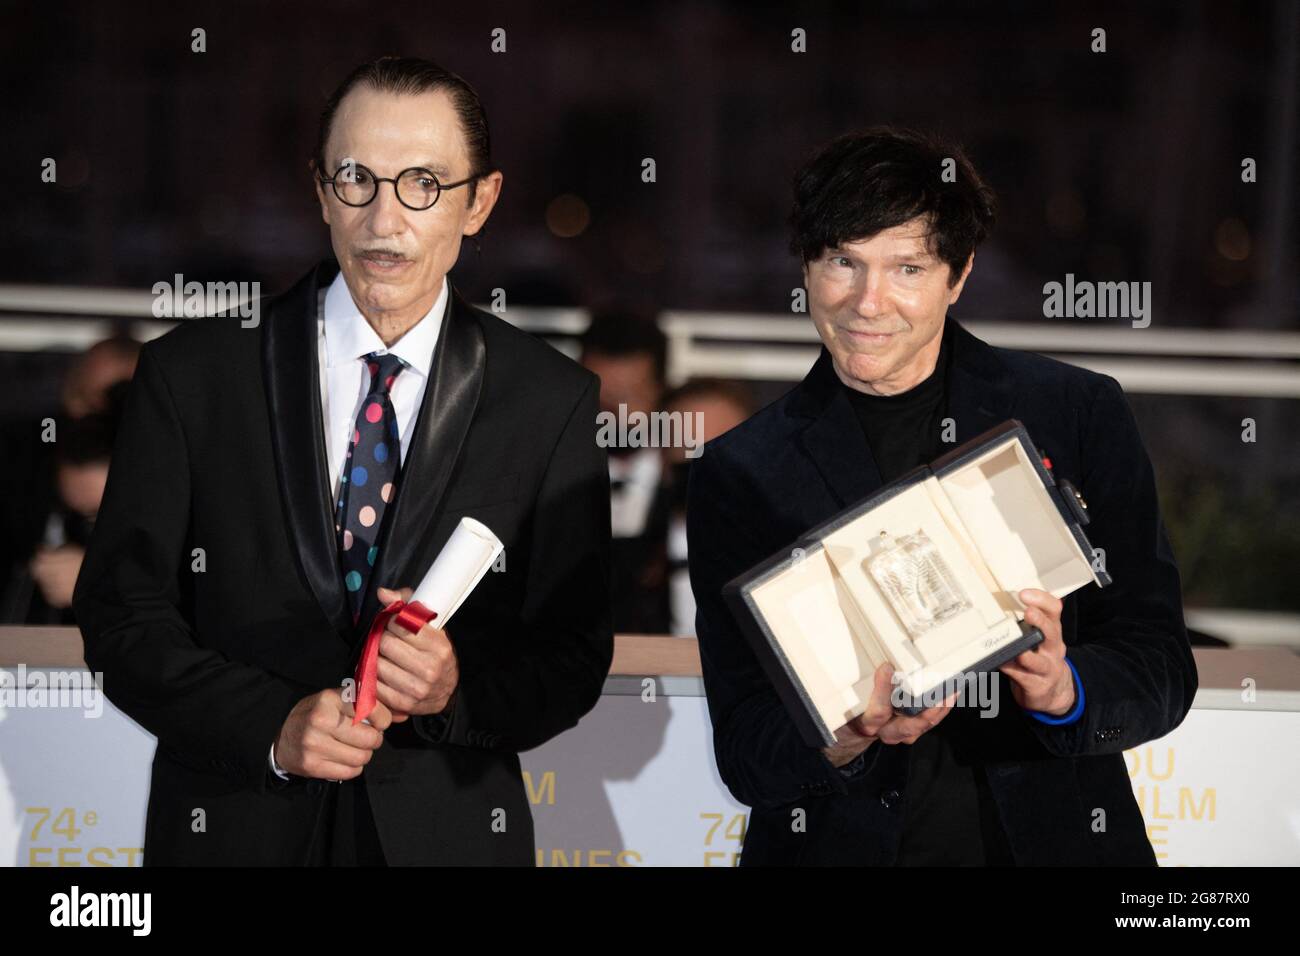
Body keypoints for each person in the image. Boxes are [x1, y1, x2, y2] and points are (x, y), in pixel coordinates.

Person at [73, 56, 613, 866]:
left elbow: (572, 658)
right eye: (358, 178)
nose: (385, 219)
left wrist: (451, 691)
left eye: (424, 183)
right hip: (232, 827)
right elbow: (122, 618)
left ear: (481, 202)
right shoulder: (192, 376)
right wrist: (270, 727)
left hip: (448, 836)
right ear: (321, 188)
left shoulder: (550, 401)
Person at [686, 126, 1197, 866]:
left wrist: (1062, 688)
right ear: (806, 267)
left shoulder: (1077, 413)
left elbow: (1161, 662)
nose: (869, 301)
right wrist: (851, 735)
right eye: (843, 262)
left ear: (957, 277)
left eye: (907, 268)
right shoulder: (741, 470)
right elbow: (745, 751)